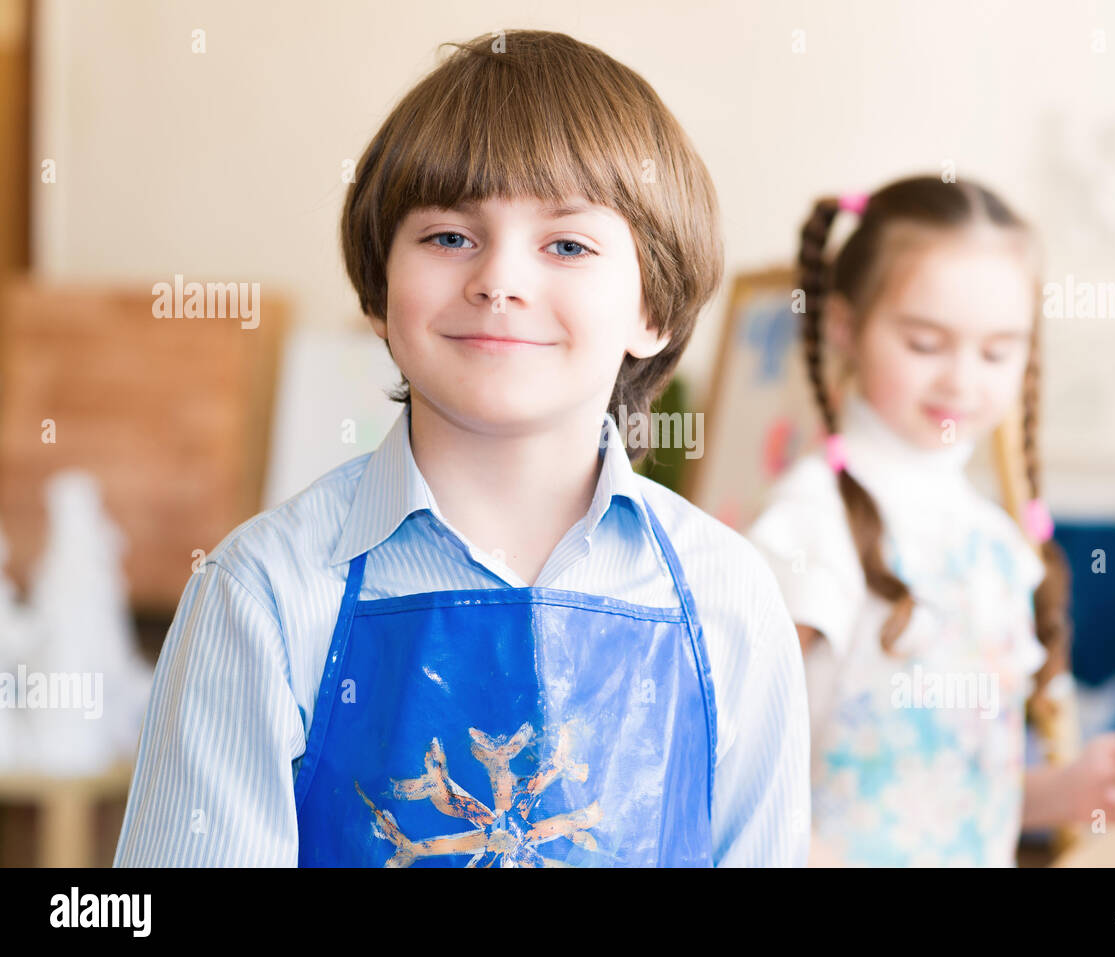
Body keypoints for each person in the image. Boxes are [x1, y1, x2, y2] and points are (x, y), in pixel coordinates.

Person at [114, 29, 809, 868]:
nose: (499, 281)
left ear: (652, 308)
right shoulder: (260, 594)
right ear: (379, 291)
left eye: (567, 245)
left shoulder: (728, 595)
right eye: (449, 236)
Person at [747, 175, 1115, 866]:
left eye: (996, 350)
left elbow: (959, 796)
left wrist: (1069, 791)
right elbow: (726, 774)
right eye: (925, 342)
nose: (962, 380)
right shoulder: (809, 527)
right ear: (845, 326)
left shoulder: (998, 541)